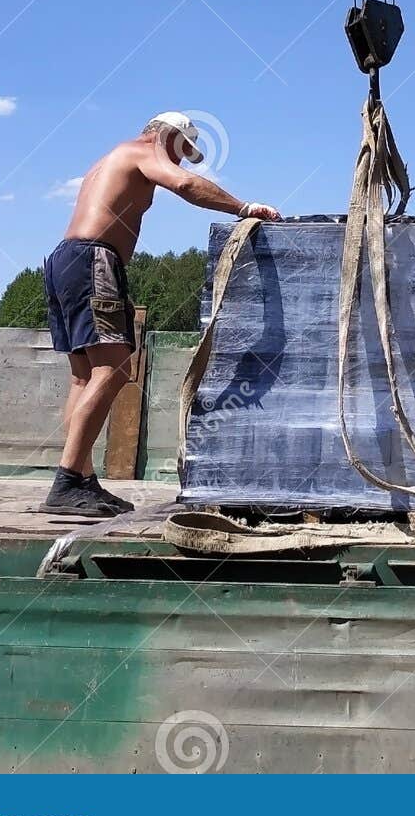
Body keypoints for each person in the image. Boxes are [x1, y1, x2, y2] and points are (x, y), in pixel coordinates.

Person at [41, 111, 281, 517]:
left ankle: (80, 481)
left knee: (84, 375)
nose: (183, 161)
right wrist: (244, 207)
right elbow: (184, 184)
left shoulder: (108, 160)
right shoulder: (144, 151)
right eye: (183, 150)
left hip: (66, 258)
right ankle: (67, 481)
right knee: (115, 369)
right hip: (94, 259)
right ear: (168, 135)